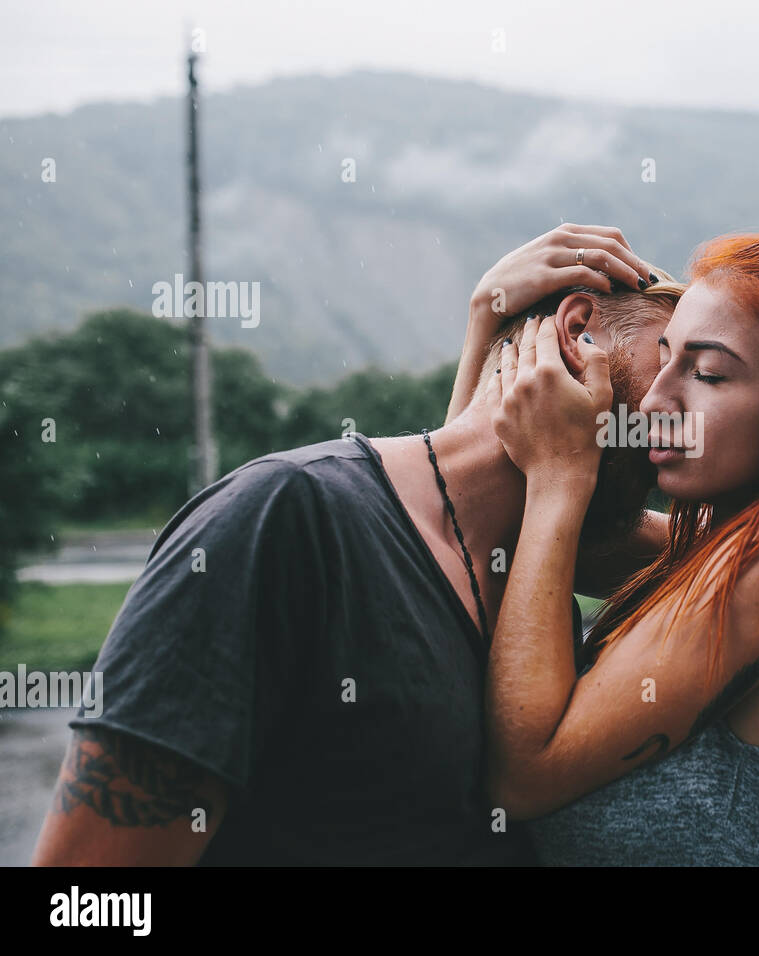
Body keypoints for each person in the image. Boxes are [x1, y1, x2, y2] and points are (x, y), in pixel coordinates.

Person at [29, 224, 683, 865]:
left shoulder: (531, 595)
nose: (691, 419)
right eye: (676, 360)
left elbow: (750, 545)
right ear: (576, 333)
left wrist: (489, 329)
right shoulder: (286, 519)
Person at [463, 233, 759, 865]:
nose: (654, 400)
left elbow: (524, 775)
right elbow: (486, 532)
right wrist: (485, 325)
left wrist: (559, 478)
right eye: (665, 358)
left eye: (706, 373)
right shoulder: (715, 553)